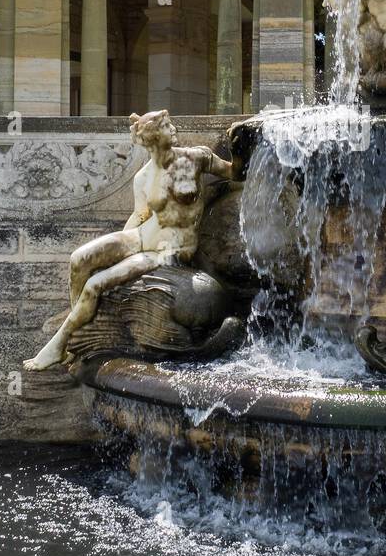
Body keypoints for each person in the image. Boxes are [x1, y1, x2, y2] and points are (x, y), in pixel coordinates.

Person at [24, 110, 239, 371]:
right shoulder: (143, 177)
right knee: (79, 259)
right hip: (140, 237)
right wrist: (119, 251)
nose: (173, 128)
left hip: (170, 250)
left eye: (170, 123)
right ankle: (80, 327)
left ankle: (60, 343)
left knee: (95, 284)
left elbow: (233, 172)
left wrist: (241, 145)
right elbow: (139, 217)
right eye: (165, 125)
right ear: (151, 137)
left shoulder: (196, 158)